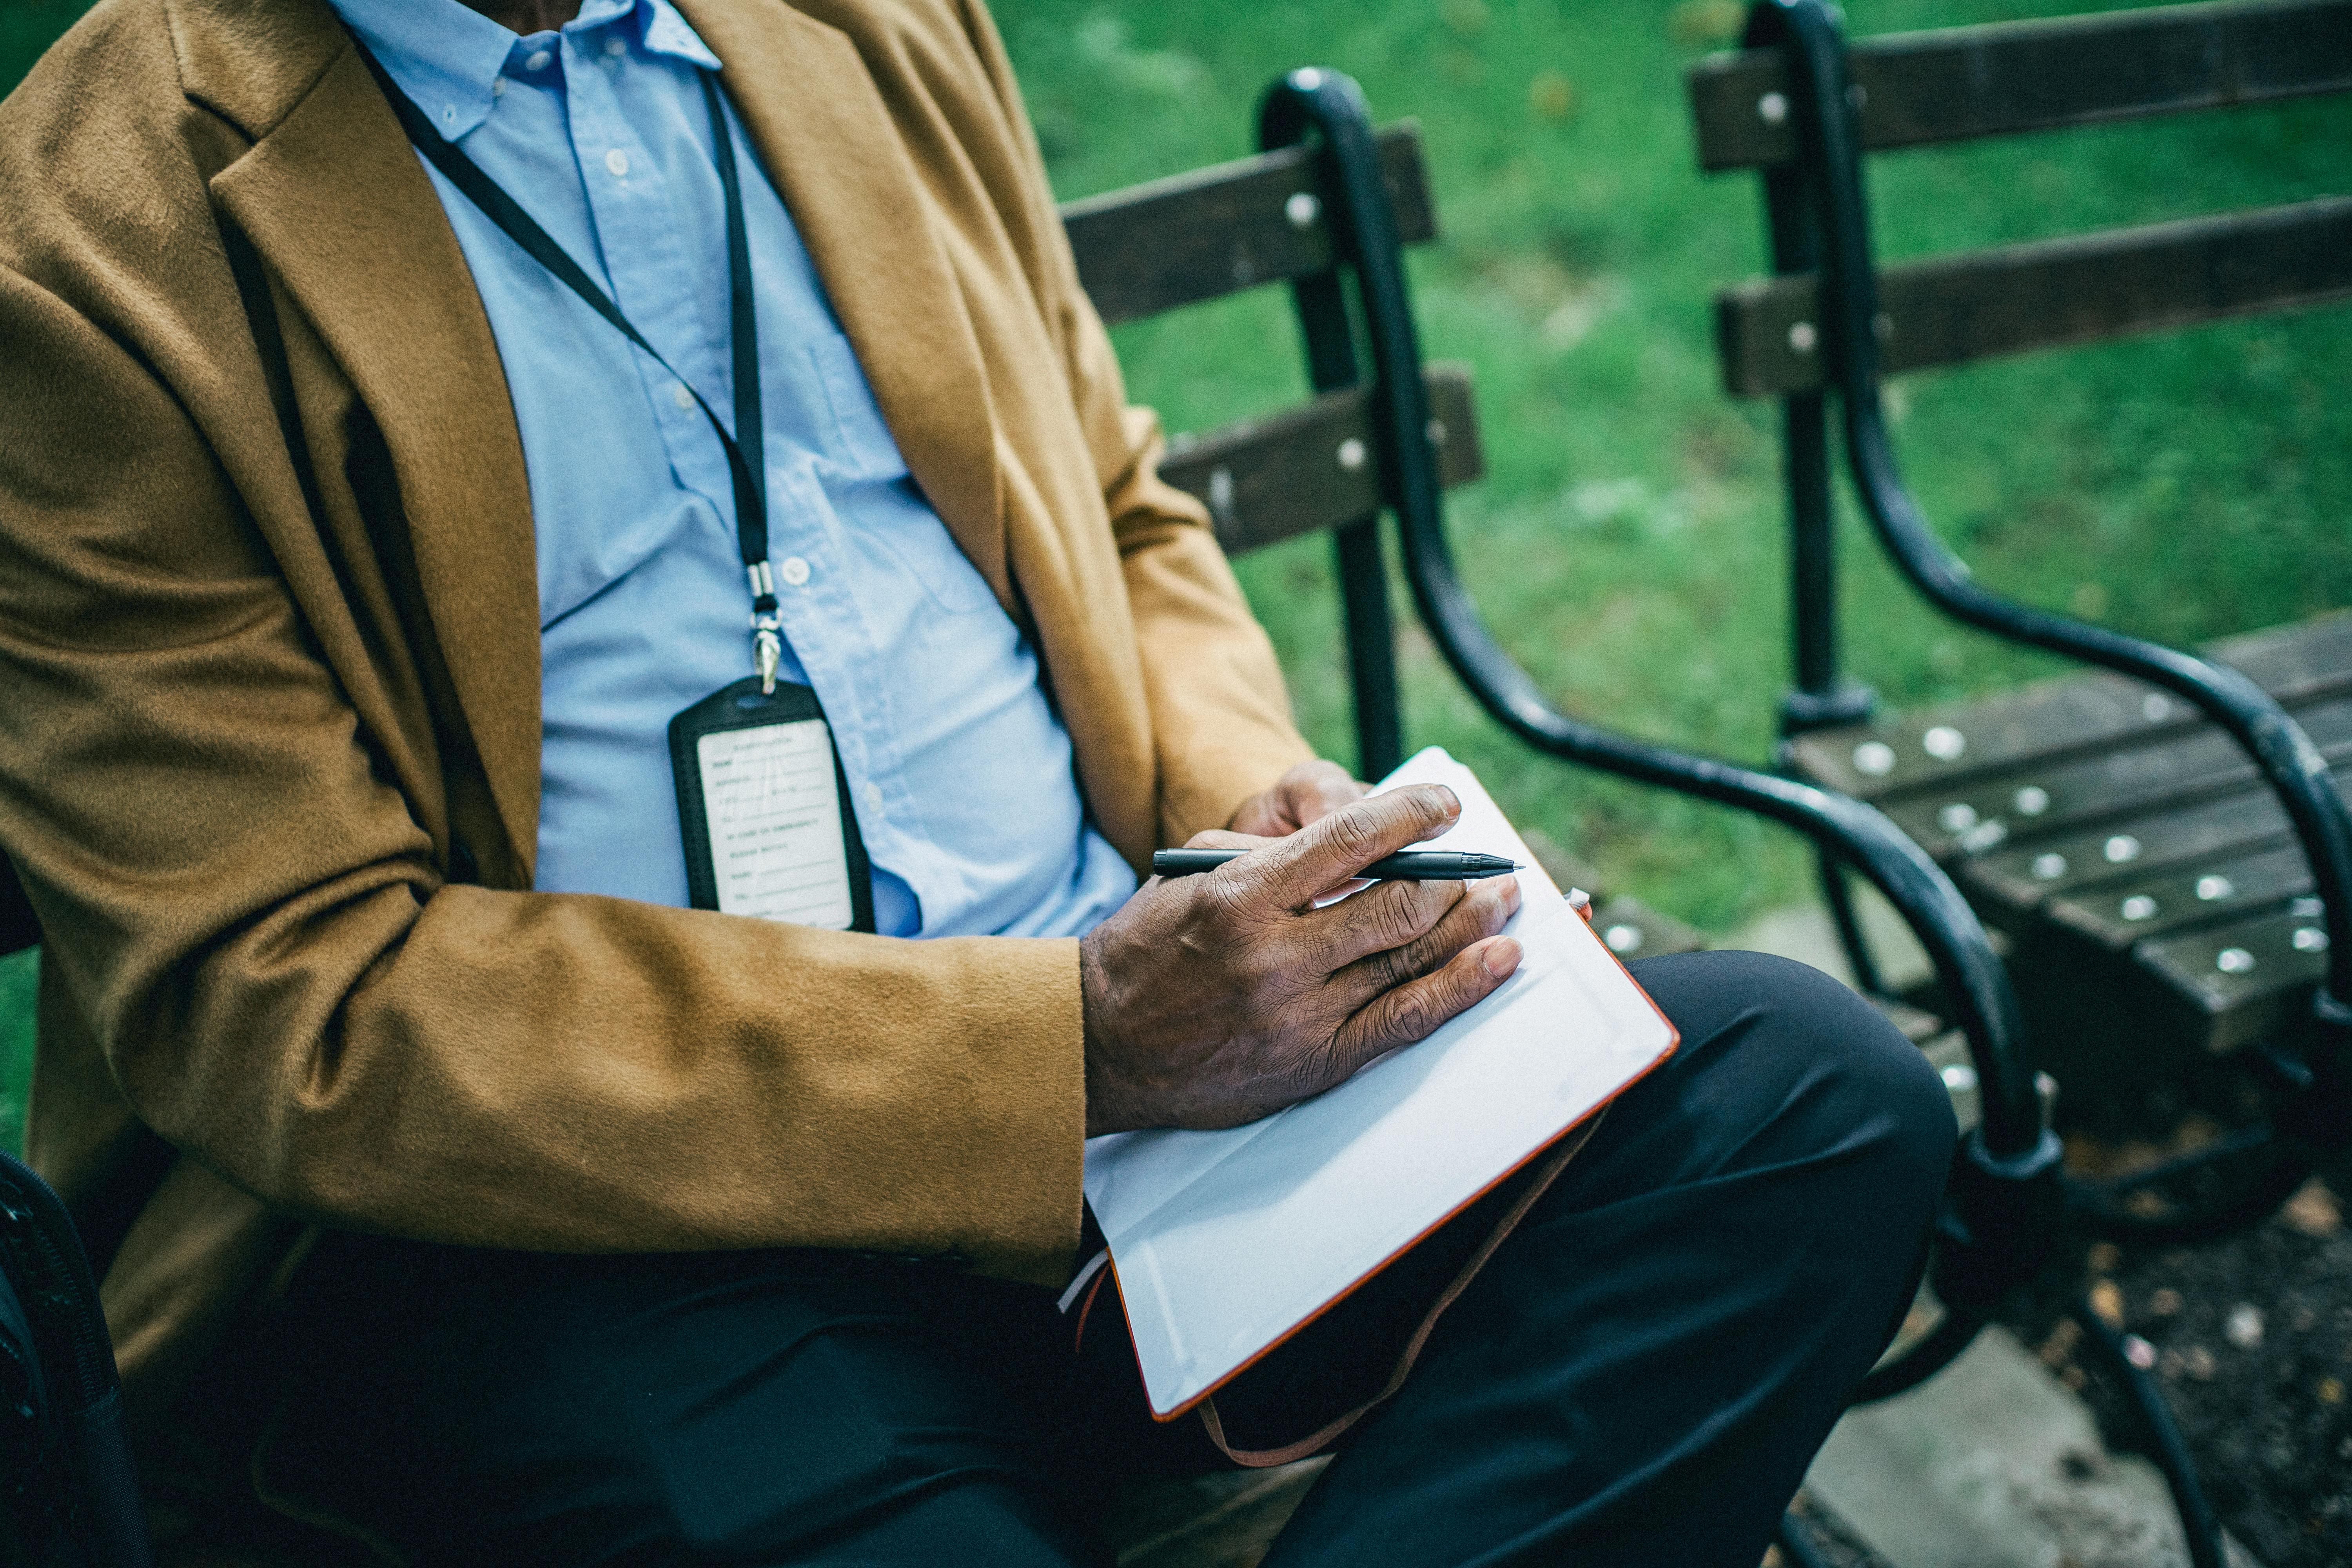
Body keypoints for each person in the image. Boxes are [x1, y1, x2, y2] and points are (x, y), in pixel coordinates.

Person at [0, 0, 1957, 1562]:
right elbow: (292, 997)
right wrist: (1075, 1045)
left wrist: (1260, 806)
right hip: (620, 1235)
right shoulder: (86, 250)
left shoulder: (871, 18)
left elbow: (1118, 508)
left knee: (1813, 1100)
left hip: (1166, 1076)